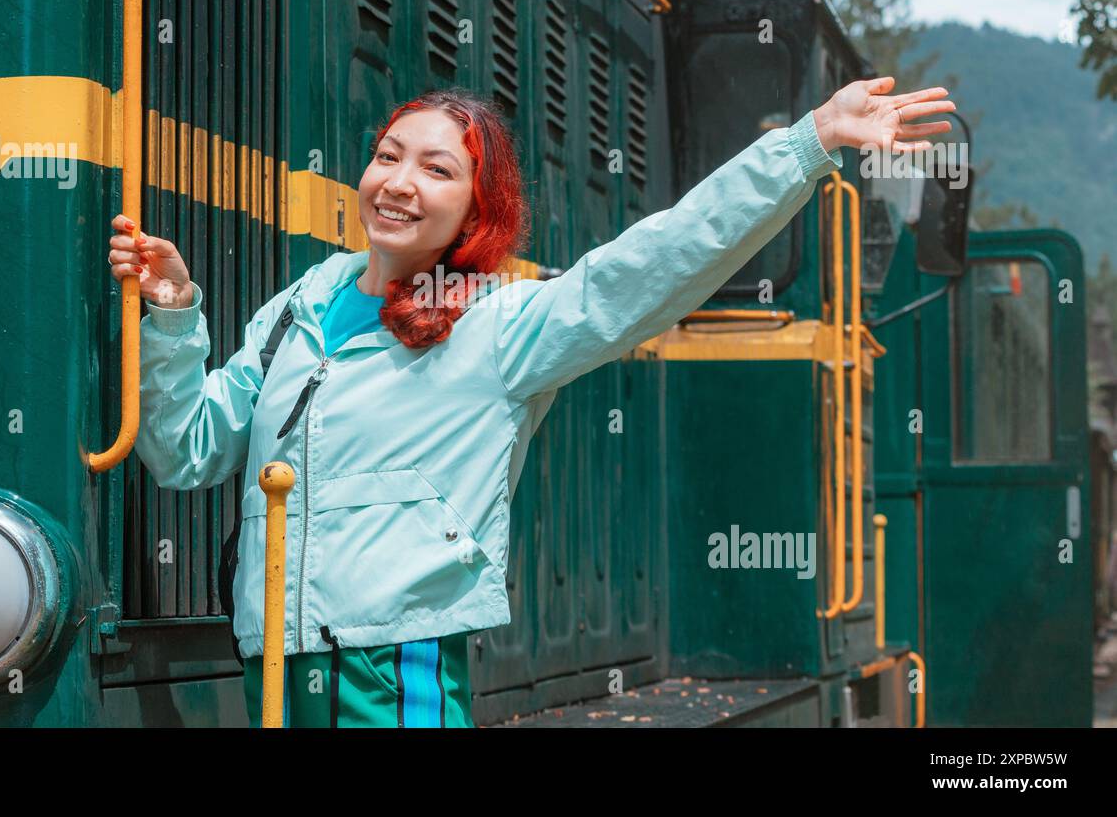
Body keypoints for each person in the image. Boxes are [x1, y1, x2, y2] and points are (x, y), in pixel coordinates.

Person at [106, 77, 955, 727]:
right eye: (388, 155)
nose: (399, 183)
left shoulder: (501, 325)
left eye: (437, 169)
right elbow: (186, 451)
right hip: (274, 666)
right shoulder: (298, 311)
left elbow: (656, 262)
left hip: (393, 663)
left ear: (479, 205)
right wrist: (176, 315)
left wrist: (806, 144)